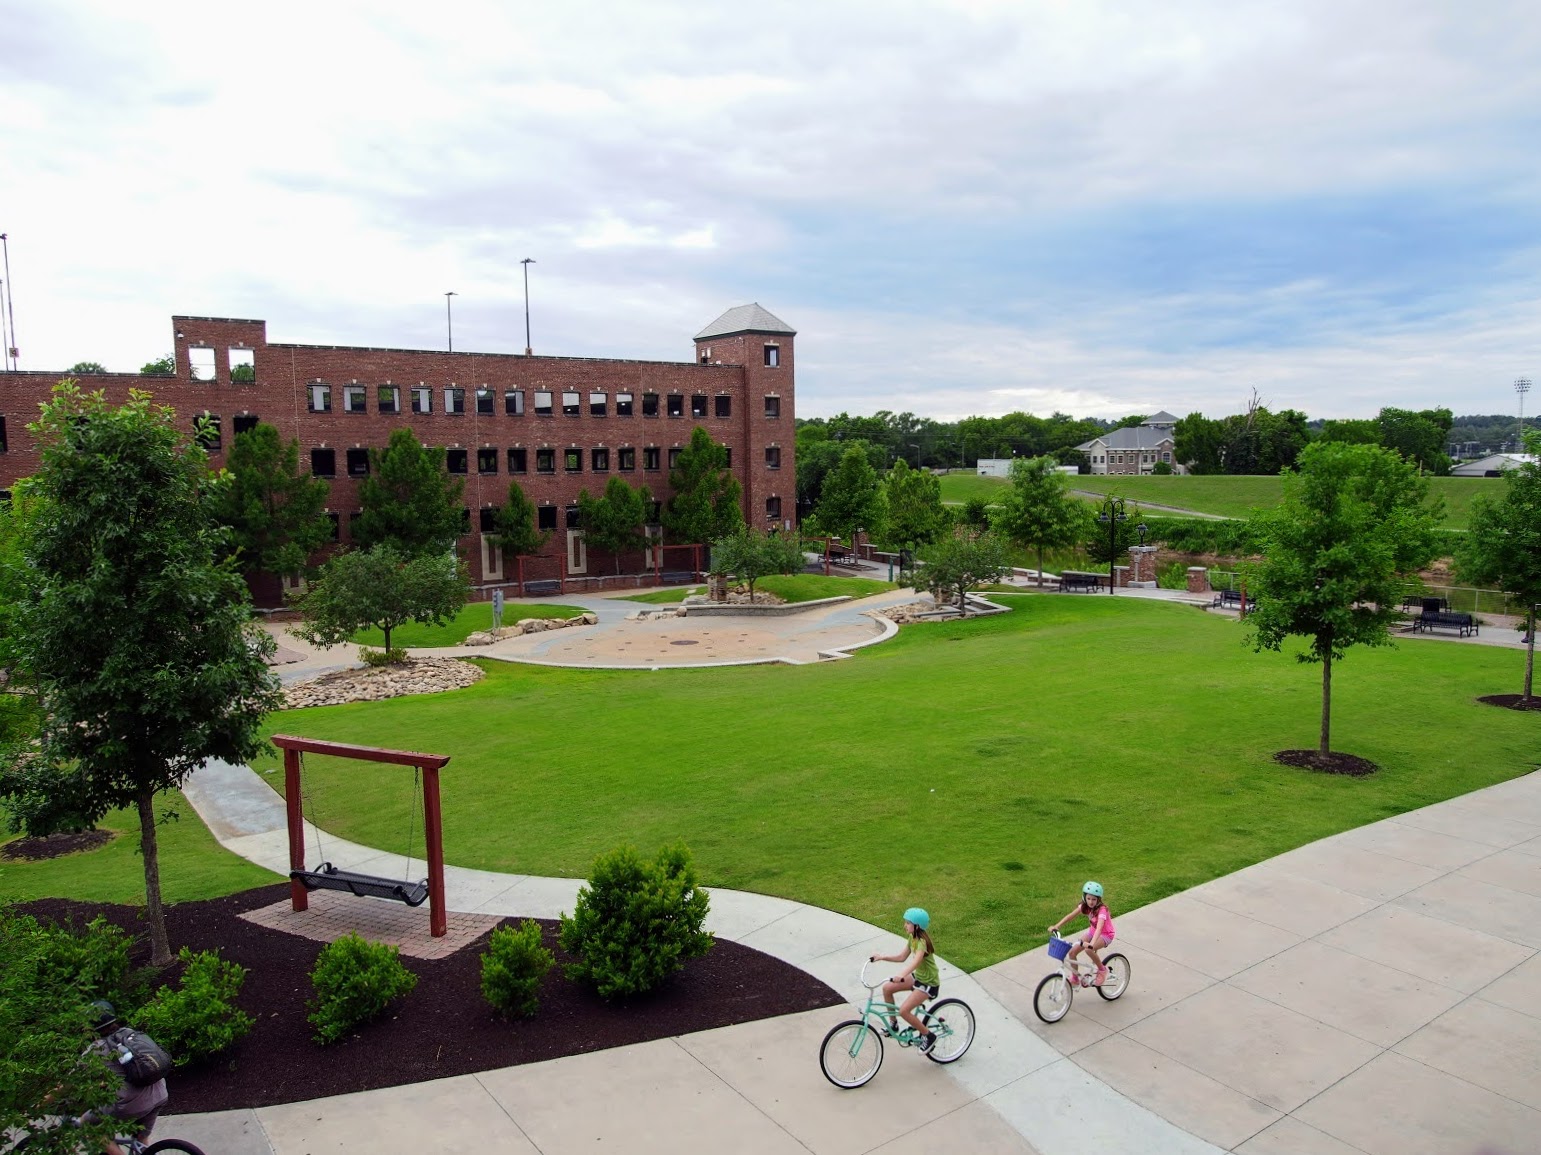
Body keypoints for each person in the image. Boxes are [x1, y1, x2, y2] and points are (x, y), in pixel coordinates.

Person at [84, 1000, 168, 1155]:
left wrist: (41, 1103)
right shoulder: (129, 1034)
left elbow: (69, 1083)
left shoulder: (94, 1050)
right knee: (140, 1136)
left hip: (133, 1103)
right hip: (159, 1093)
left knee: (88, 1126)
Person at [869, 907, 940, 1054]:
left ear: (917, 926)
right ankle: (893, 1025)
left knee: (904, 1011)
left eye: (907, 923)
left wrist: (901, 975)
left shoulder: (922, 942)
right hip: (918, 978)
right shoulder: (912, 938)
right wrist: (882, 957)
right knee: (887, 988)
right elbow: (902, 957)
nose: (904, 925)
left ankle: (929, 1036)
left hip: (928, 983)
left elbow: (916, 962)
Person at [1049, 881, 1115, 986]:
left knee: (1089, 950)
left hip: (1106, 935)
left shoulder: (1102, 910)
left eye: (1094, 899)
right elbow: (1071, 916)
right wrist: (1057, 926)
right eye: (1088, 898)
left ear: (1098, 900)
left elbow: (1099, 927)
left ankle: (1102, 970)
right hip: (1092, 932)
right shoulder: (1085, 906)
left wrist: (1092, 943)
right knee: (1072, 952)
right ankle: (1075, 978)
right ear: (1085, 897)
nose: (1091, 902)